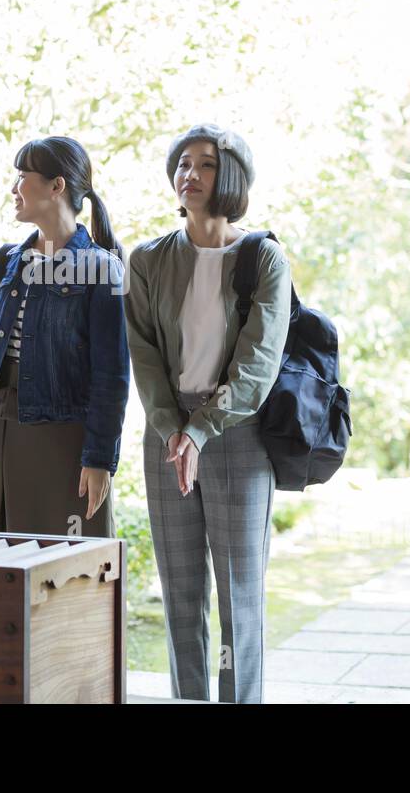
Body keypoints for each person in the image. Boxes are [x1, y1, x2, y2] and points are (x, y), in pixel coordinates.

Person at [124, 123, 291, 704]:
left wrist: (202, 429)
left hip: (238, 434)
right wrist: (175, 429)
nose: (189, 174)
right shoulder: (146, 259)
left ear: (232, 177)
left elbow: (258, 363)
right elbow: (143, 355)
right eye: (182, 164)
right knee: (180, 591)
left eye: (206, 165)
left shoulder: (262, 257)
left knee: (239, 595)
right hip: (168, 433)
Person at [0, 136, 128, 538]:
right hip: (1, 435)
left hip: (65, 443)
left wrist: (100, 458)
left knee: (66, 572)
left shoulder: (102, 269)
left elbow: (112, 376)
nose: (13, 188)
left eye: (22, 177)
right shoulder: (2, 261)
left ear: (57, 186)